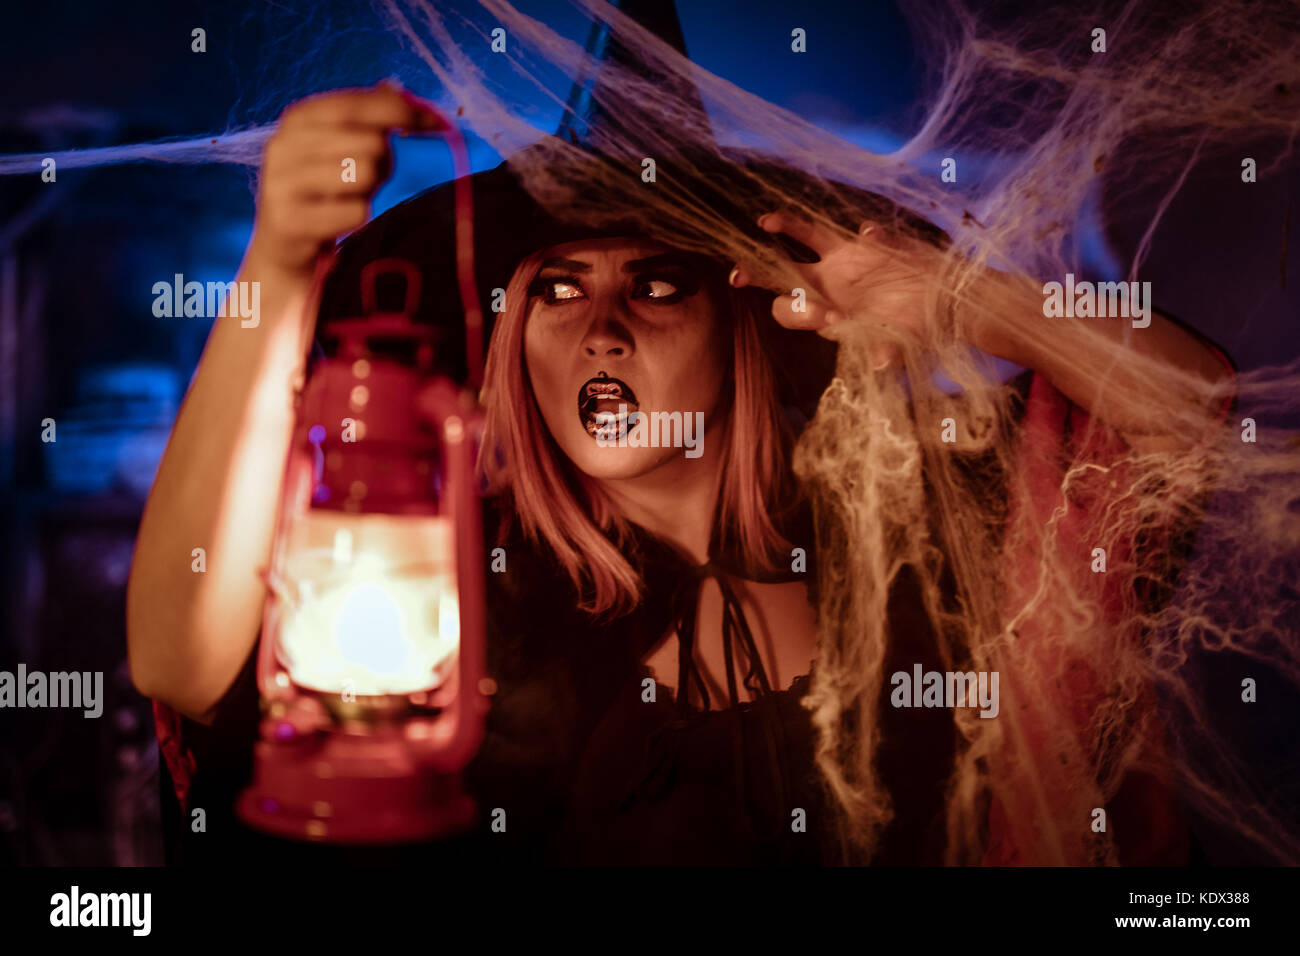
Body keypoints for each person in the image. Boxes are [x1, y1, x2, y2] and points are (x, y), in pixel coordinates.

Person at [127, 82, 1237, 866]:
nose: (601, 328)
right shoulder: (455, 589)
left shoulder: (921, 511)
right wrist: (275, 267)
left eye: (656, 284)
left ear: (740, 321)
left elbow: (1189, 405)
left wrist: (957, 299)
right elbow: (178, 664)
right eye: (557, 290)